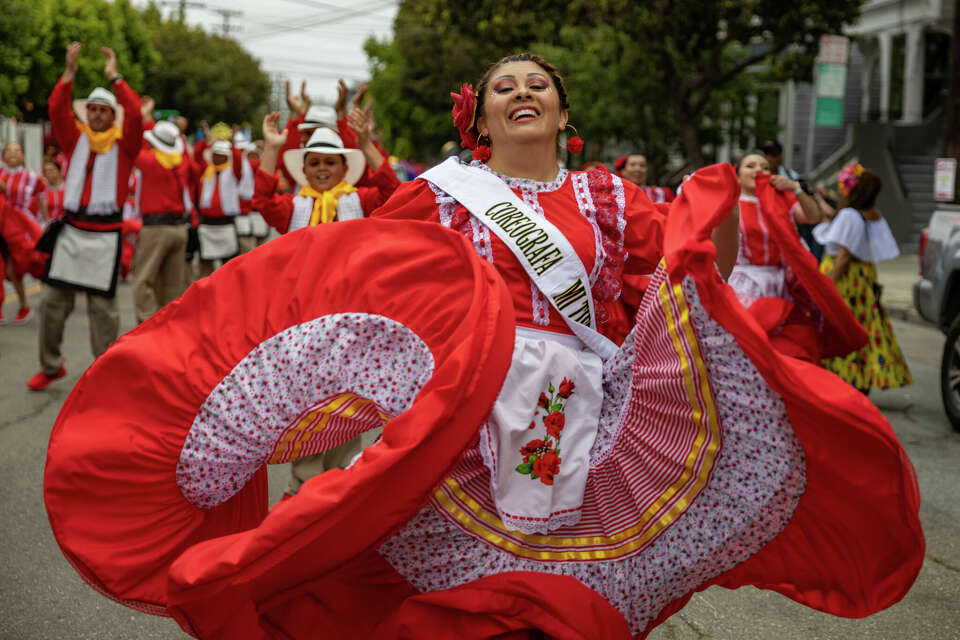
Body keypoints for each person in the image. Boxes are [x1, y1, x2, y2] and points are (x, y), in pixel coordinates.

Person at [45, 53, 923, 638]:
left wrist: (717, 221)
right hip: (462, 413)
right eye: (504, 86)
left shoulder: (610, 198)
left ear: (563, 111)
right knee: (426, 595)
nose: (523, 92)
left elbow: (683, 284)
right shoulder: (439, 196)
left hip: (577, 419)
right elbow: (347, 279)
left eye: (538, 82)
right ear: (481, 119)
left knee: (564, 602)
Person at [252, 107, 401, 497]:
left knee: (348, 413)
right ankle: (303, 494)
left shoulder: (363, 201)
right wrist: (271, 149)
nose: (321, 169)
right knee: (310, 415)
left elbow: (395, 193)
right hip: (304, 331)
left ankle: (338, 495)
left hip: (353, 329)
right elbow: (262, 198)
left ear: (342, 166)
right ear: (303, 169)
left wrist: (366, 144)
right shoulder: (292, 208)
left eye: (329, 162)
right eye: (313, 162)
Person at [27, 43, 142, 391]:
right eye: (91, 109)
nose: (95, 114)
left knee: (103, 314)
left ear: (112, 116)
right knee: (50, 304)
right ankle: (50, 366)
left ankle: (103, 378)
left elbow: (136, 114)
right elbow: (56, 108)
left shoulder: (126, 145)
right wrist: (69, 71)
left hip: (105, 236)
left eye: (103, 110)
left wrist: (115, 76)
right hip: (72, 231)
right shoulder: (74, 139)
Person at [728, 151, 864, 362]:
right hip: (741, 283)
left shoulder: (780, 199)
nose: (758, 170)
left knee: (779, 346)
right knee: (745, 345)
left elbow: (813, 217)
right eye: (750, 166)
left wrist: (796, 188)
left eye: (764, 167)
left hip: (779, 282)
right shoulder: (729, 201)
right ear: (738, 173)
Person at [815, 163, 912, 392]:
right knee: (862, 324)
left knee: (840, 325)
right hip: (863, 275)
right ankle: (860, 375)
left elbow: (844, 255)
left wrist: (827, 285)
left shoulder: (849, 215)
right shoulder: (872, 215)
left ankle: (844, 376)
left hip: (846, 277)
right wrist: (822, 199)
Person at [131, 119, 192, 322]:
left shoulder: (149, 161)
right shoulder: (182, 162)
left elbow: (133, 147)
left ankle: (150, 326)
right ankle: (170, 330)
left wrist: (146, 120)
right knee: (173, 286)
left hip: (156, 230)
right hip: (178, 229)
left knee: (142, 281)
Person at [189, 134, 252, 279]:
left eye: (222, 155)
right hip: (207, 225)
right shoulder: (206, 170)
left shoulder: (233, 172)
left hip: (226, 224)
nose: (218, 158)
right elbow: (197, 156)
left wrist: (231, 145)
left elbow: (238, 162)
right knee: (205, 268)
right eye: (215, 154)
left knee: (229, 266)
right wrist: (206, 142)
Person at [0, 142, 46, 324]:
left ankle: (26, 305)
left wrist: (46, 221)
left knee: (20, 268)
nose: (13, 154)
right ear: (3, 156)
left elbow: (41, 197)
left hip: (21, 228)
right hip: (2, 227)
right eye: (9, 151)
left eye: (17, 150)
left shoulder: (32, 177)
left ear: (23, 156)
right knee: (6, 269)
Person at [761, 139, 824, 262]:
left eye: (772, 154)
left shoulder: (792, 177)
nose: (768, 158)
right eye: (765, 154)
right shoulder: (755, 179)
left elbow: (810, 206)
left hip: (791, 228)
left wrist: (794, 188)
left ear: (780, 157)